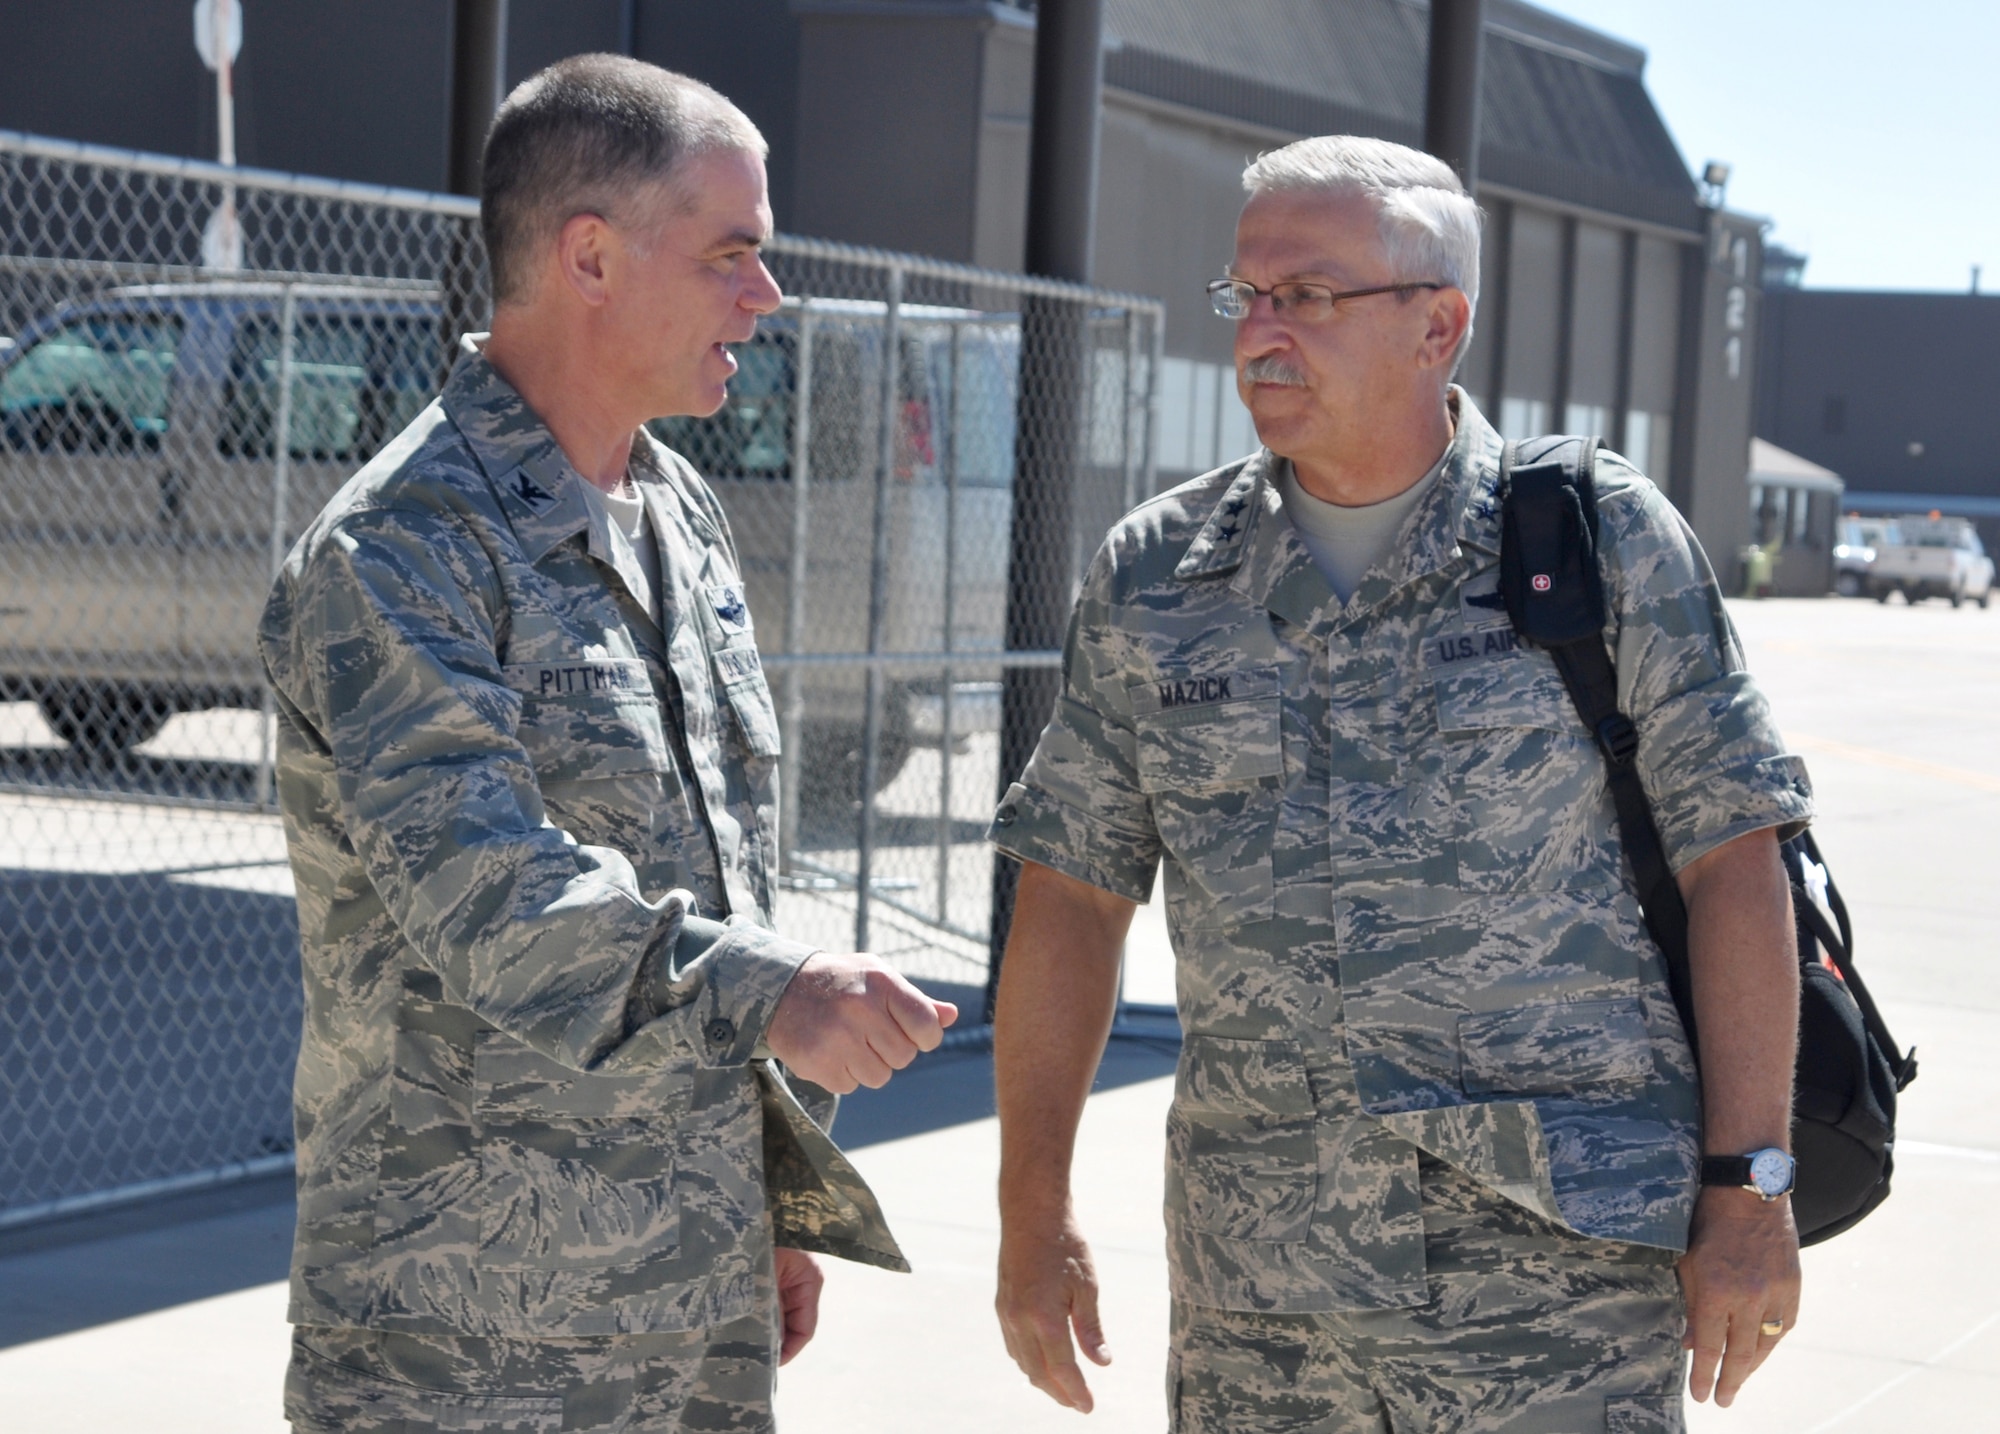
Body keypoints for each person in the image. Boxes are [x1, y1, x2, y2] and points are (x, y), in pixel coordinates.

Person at [988, 135, 1811, 1432]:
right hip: (1263, 1296)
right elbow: (1072, 899)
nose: (1259, 333)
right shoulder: (1156, 580)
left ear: (1439, 325)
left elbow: (1736, 858)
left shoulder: (1596, 541)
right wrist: (1032, 1217)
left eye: (1304, 296)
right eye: (1244, 296)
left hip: (1555, 1297)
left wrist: (1750, 1188)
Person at [262, 55, 955, 1433]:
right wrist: (780, 989)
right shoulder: (401, 546)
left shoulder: (677, 506)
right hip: (466, 1341)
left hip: (684, 1308)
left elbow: (712, 867)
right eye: (733, 255)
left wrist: (769, 1188)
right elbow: (496, 897)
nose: (766, 296)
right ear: (589, 255)